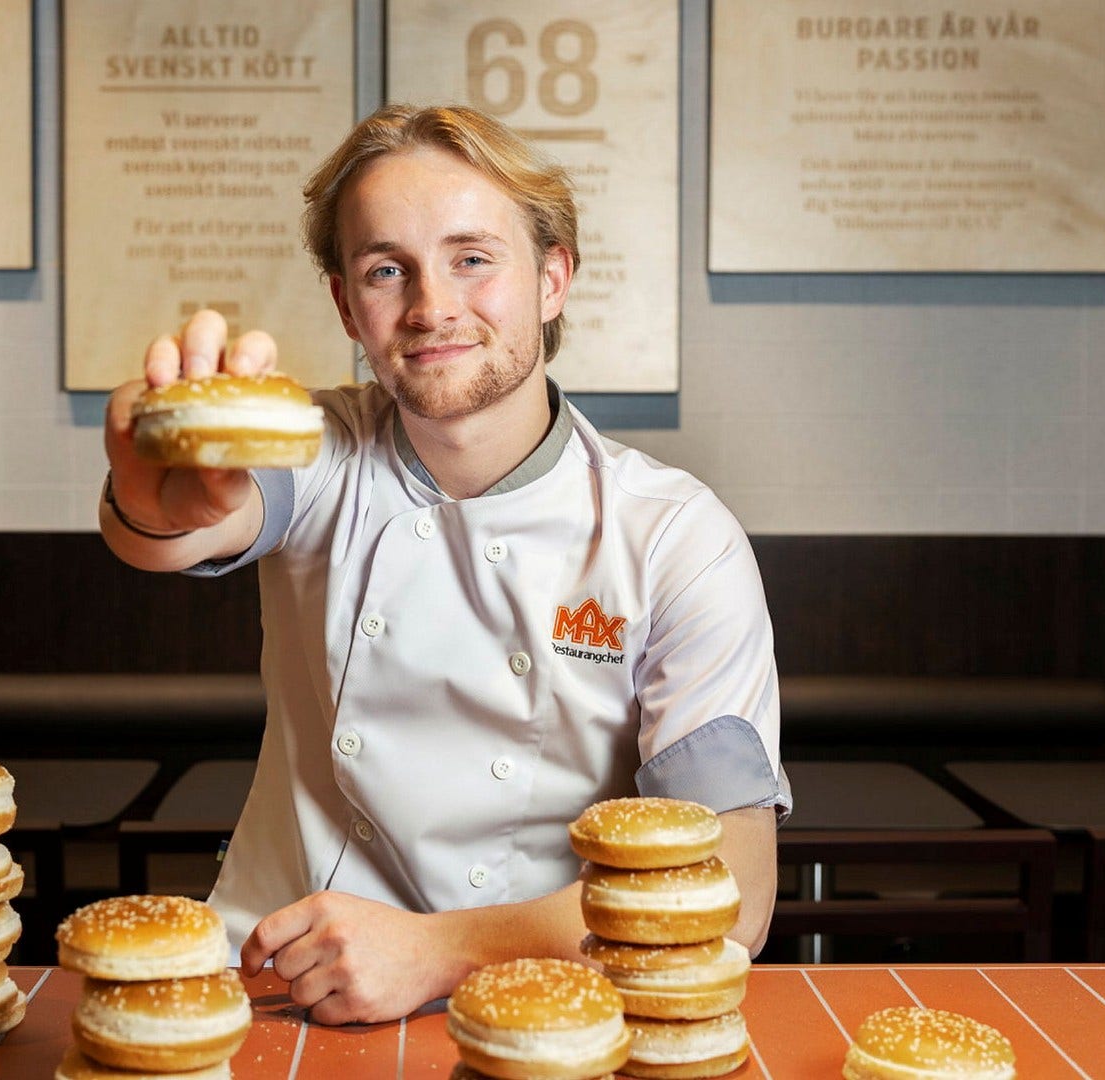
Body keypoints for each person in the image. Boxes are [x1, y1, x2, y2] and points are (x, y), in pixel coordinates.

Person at [100, 104, 788, 1024]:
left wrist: (435, 950)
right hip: (272, 991)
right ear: (348, 305)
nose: (432, 307)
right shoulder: (319, 449)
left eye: (473, 258)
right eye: (388, 270)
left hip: (543, 1009)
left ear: (552, 280)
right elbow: (188, 522)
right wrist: (151, 501)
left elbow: (731, 892)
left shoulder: (673, 540)